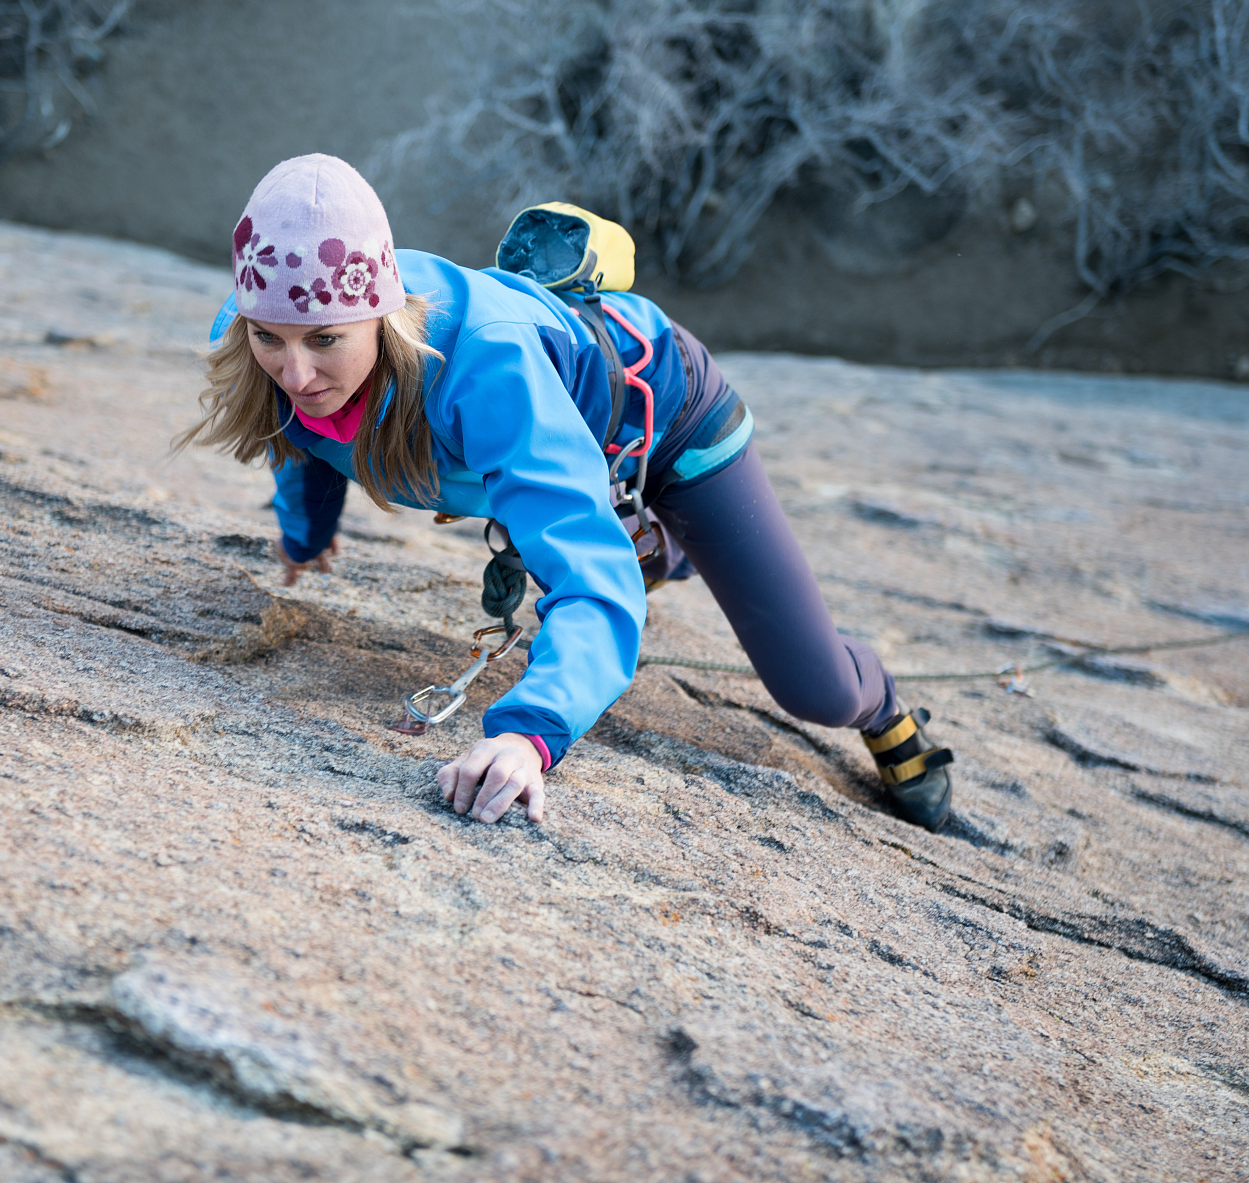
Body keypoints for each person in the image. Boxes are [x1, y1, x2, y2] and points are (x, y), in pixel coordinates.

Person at [179, 154, 955, 831]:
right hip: (561, 444)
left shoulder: (486, 371)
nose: (296, 372)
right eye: (270, 339)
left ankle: (882, 705)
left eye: (325, 340)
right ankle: (655, 539)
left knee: (814, 688)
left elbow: (594, 585)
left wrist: (528, 734)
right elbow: (301, 432)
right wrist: (305, 531)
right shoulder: (256, 329)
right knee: (595, 533)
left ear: (383, 317)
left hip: (672, 418)